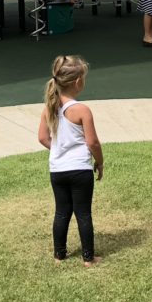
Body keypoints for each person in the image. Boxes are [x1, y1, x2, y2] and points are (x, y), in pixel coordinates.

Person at [36, 55, 103, 268]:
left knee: (61, 211)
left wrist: (58, 149)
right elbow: (92, 142)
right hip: (80, 170)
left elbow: (42, 138)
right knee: (83, 212)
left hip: (57, 170)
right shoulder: (82, 110)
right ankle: (88, 257)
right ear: (77, 82)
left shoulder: (49, 109)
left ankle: (59, 254)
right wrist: (99, 162)